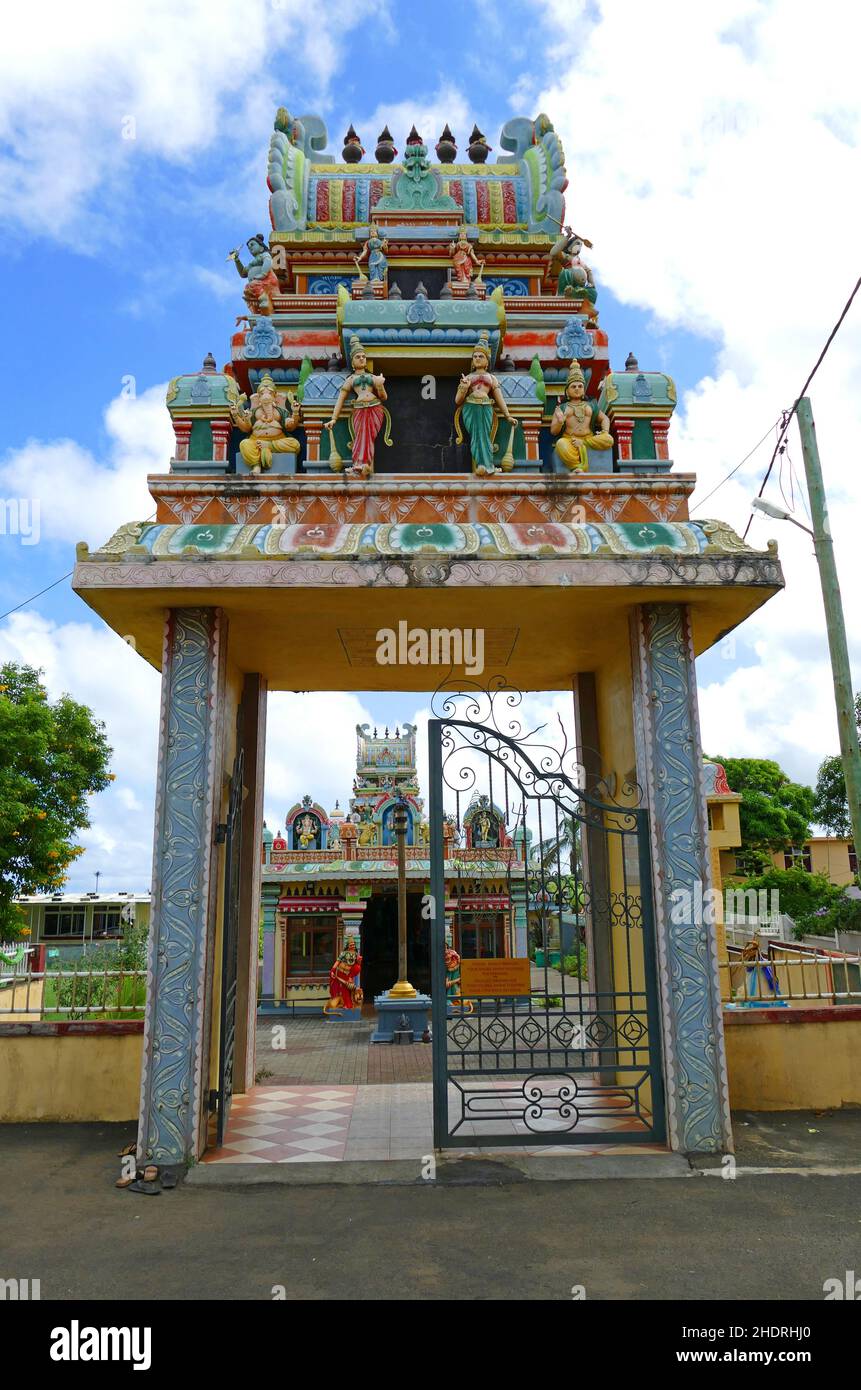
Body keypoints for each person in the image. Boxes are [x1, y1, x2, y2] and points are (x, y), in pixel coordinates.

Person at [324, 336, 388, 478]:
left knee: (368, 437)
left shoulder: (373, 377)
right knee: (361, 437)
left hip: (374, 408)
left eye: (364, 357)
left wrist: (380, 385)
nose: (361, 359)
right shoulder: (351, 379)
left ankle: (366, 465)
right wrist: (333, 419)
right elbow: (341, 399)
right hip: (359, 410)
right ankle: (360, 464)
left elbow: (384, 397)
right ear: (352, 361)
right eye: (358, 357)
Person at [455, 333, 515, 476]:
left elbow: (499, 398)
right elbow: (457, 400)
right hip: (471, 408)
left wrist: (508, 416)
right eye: (474, 357)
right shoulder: (468, 378)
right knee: (477, 436)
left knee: (485, 437)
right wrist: (464, 387)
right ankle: (481, 465)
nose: (477, 359)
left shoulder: (492, 378)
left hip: (486, 407)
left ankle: (488, 466)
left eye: (480, 356)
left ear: (487, 361)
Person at [549, 362, 613, 473]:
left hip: (589, 439)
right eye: (573, 386)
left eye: (580, 386)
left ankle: (583, 445)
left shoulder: (591, 405)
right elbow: (553, 431)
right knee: (560, 444)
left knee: (609, 439)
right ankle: (576, 466)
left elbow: (605, 419)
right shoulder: (562, 408)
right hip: (570, 440)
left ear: (583, 390)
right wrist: (560, 422)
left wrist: (605, 431)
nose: (577, 389)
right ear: (567, 391)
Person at [231, 374, 300, 475]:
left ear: (275, 396)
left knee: (295, 444)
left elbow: (290, 428)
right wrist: (236, 416)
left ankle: (270, 446)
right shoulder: (254, 412)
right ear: (258, 397)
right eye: (262, 393)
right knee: (244, 444)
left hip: (277, 441)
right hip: (256, 442)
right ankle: (256, 465)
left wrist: (295, 413)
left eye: (270, 393)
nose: (266, 396)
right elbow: (246, 429)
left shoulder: (280, 411)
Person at [323, 937, 363, 1014]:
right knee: (342, 989)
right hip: (340, 972)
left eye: (353, 945)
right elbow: (337, 962)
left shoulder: (355, 954)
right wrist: (333, 970)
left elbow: (356, 966)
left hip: (348, 975)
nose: (353, 946)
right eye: (351, 945)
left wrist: (359, 962)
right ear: (348, 946)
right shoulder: (343, 953)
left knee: (348, 989)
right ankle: (346, 1004)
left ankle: (348, 1004)